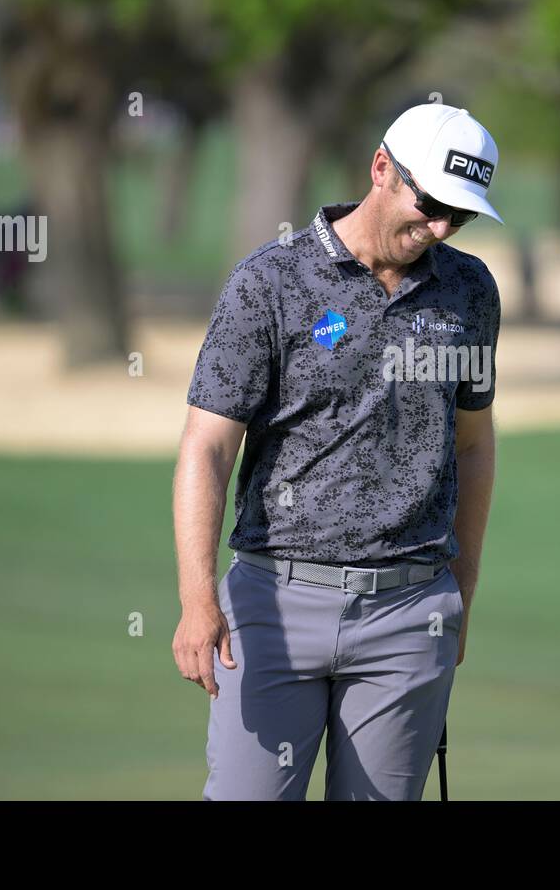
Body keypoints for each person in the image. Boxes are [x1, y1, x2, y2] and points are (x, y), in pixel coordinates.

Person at [172, 103, 503, 800]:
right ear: (381, 169)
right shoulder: (271, 282)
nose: (441, 228)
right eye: (433, 204)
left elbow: (473, 445)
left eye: (460, 216)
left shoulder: (470, 292)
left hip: (409, 611)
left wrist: (460, 594)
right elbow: (207, 446)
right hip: (272, 605)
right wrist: (197, 596)